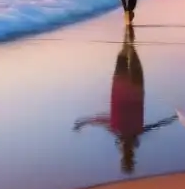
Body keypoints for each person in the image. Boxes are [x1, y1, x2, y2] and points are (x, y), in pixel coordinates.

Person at [73, 25, 178, 174]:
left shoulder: (130, 130)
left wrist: (84, 122)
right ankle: (128, 36)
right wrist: (83, 122)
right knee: (124, 56)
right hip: (123, 87)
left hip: (132, 90)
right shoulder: (119, 129)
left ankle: (128, 37)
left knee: (129, 56)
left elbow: (155, 126)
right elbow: (156, 125)